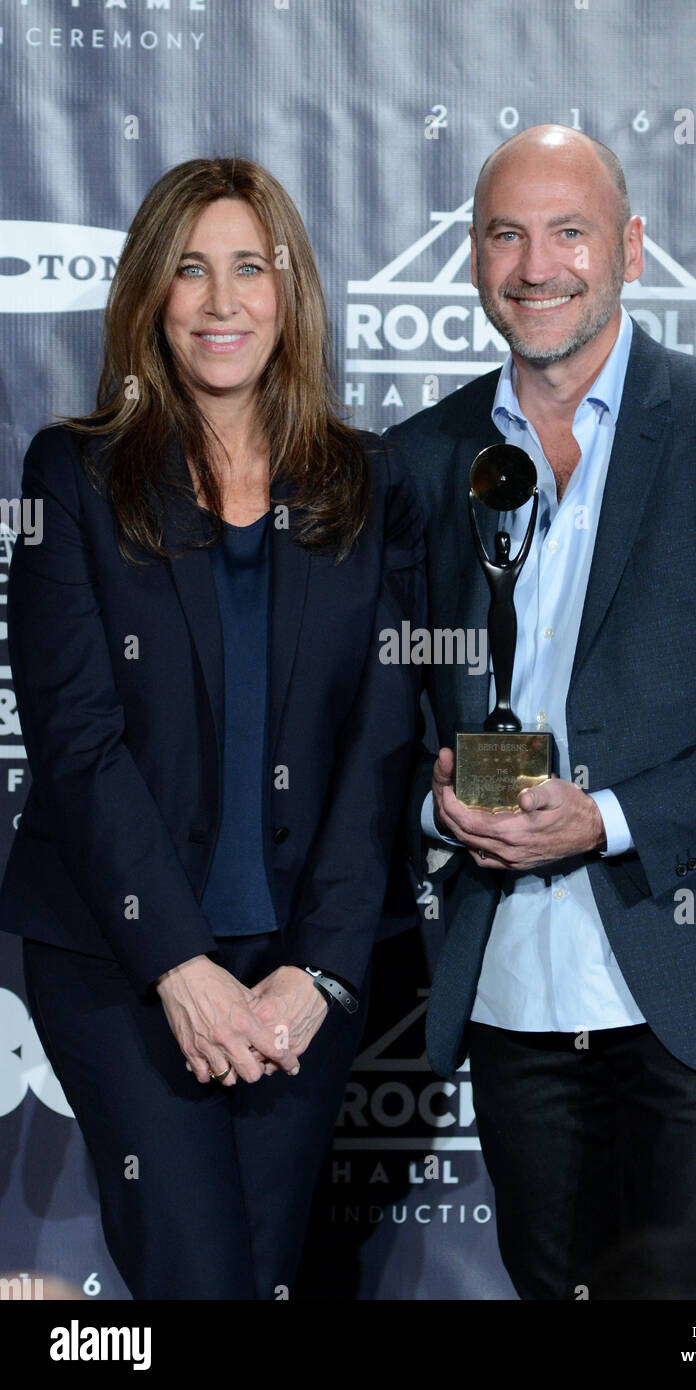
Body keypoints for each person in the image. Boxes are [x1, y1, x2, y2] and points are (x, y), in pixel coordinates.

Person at [388, 125, 696, 1300]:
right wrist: (439, 806)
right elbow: (388, 710)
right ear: (471, 258)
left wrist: (599, 818)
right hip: (510, 987)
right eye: (505, 234)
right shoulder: (416, 459)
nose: (534, 265)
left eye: (567, 232)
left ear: (629, 249)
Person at [0, 157, 425, 1299]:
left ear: (290, 296)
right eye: (190, 270)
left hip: (299, 970)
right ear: (149, 293)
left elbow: (380, 752)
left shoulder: (365, 484)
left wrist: (320, 973)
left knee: (259, 1272)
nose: (222, 300)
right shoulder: (75, 475)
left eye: (250, 267)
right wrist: (179, 966)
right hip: (121, 962)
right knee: (198, 1278)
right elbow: (75, 743)